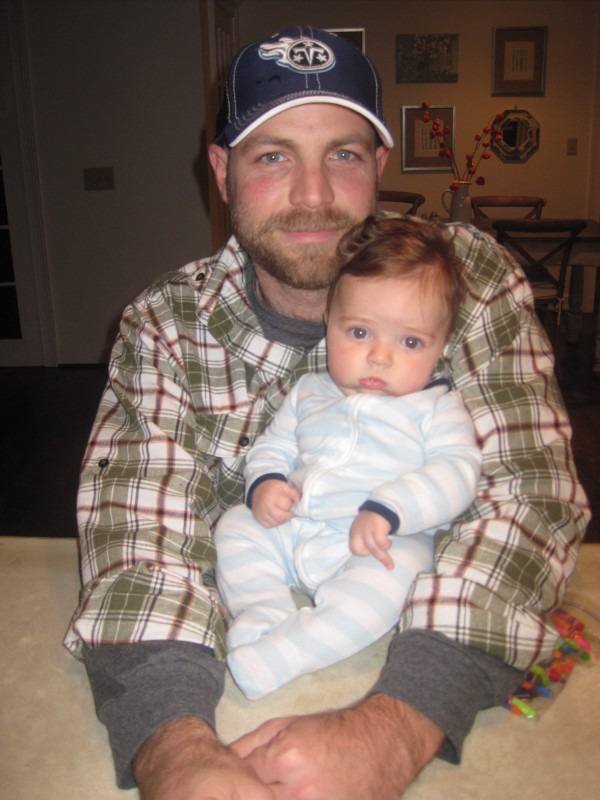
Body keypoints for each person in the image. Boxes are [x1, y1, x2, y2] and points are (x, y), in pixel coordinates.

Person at [64, 25, 589, 800]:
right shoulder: (164, 324)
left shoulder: (467, 278)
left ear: (379, 164)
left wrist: (397, 726)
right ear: (222, 171)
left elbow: (529, 491)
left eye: (341, 153)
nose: (312, 196)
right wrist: (171, 744)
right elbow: (139, 525)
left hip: (393, 595)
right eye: (273, 157)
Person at [215, 216, 482, 699]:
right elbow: (274, 445)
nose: (380, 357)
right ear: (329, 323)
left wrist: (389, 508)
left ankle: (292, 651)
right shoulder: (309, 391)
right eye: (359, 333)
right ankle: (263, 612)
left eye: (410, 342)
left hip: (377, 541)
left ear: (441, 346)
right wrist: (266, 482)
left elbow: (457, 471)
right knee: (235, 525)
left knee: (394, 581)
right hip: (295, 526)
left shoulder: (437, 407)